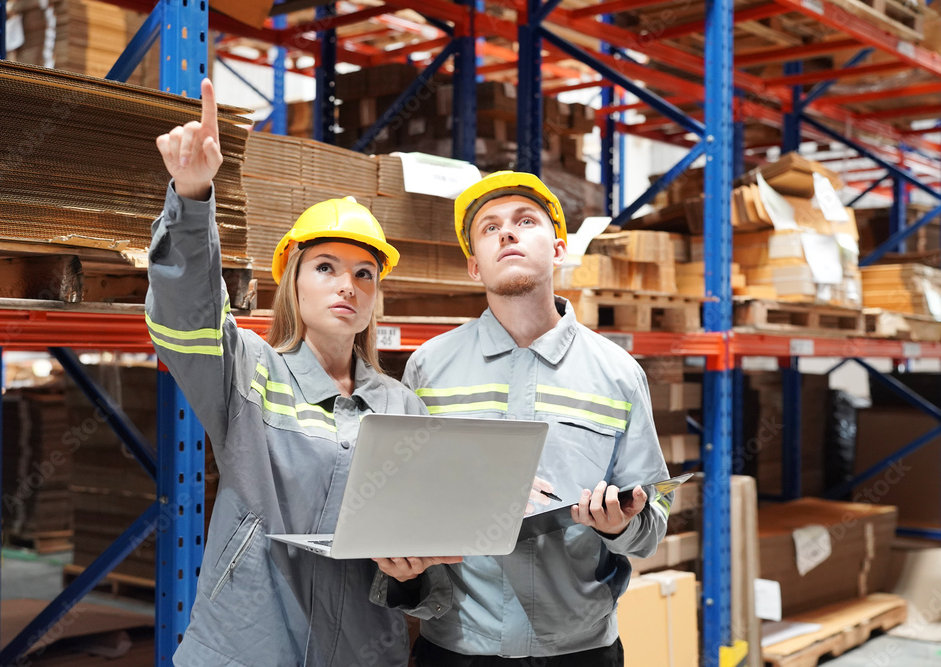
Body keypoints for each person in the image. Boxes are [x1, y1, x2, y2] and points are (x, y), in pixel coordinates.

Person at [146, 78, 458, 667]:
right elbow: (187, 317)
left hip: (364, 653)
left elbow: (418, 575)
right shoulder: (249, 374)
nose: (348, 284)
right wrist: (191, 200)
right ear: (293, 281)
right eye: (326, 266)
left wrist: (409, 575)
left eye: (365, 273)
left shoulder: (401, 407)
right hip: (249, 647)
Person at [372, 171, 672, 666]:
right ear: (474, 267)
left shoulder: (618, 374)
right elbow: (406, 499)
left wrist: (619, 526)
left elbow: (653, 522)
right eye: (489, 228)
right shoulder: (430, 367)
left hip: (579, 651)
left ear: (558, 249)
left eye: (523, 221)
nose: (506, 233)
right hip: (458, 648)